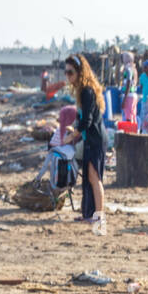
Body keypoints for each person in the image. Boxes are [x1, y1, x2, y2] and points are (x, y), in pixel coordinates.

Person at [62, 53, 106, 229]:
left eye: (70, 72)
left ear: (80, 72)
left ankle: (99, 217)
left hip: (96, 140)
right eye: (66, 72)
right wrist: (73, 129)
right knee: (87, 178)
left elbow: (87, 121)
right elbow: (82, 119)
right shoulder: (83, 92)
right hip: (89, 140)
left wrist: (72, 136)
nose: (68, 76)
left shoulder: (87, 91)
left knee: (95, 178)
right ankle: (88, 214)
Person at [120, 50, 138, 126]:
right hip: (133, 95)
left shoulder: (128, 69)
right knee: (133, 116)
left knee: (128, 118)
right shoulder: (133, 68)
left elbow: (128, 83)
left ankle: (129, 134)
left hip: (129, 95)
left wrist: (124, 99)